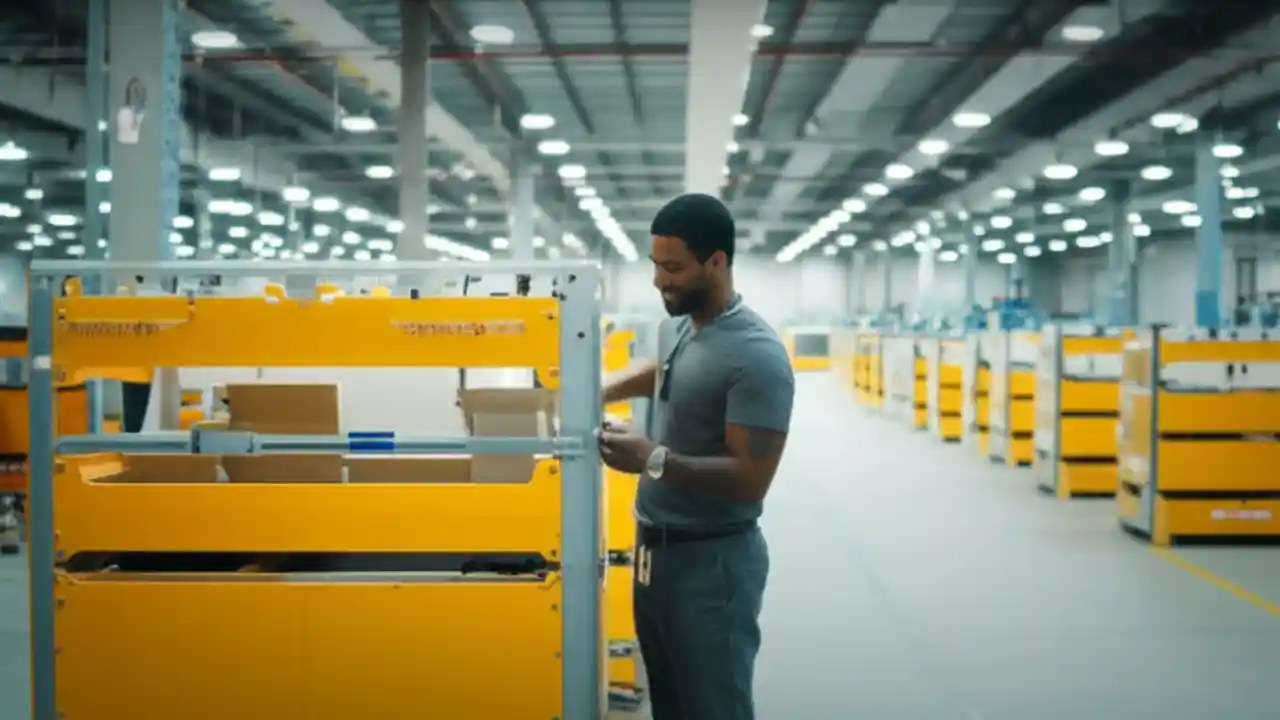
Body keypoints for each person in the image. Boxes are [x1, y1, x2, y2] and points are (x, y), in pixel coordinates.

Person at [599, 193, 795, 720]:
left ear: (717, 262)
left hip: (712, 567)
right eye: (656, 266)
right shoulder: (678, 327)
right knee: (669, 704)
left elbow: (751, 478)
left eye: (674, 268)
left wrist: (651, 459)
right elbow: (661, 369)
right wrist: (595, 391)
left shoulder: (756, 355)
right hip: (654, 557)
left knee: (713, 707)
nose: (660, 280)